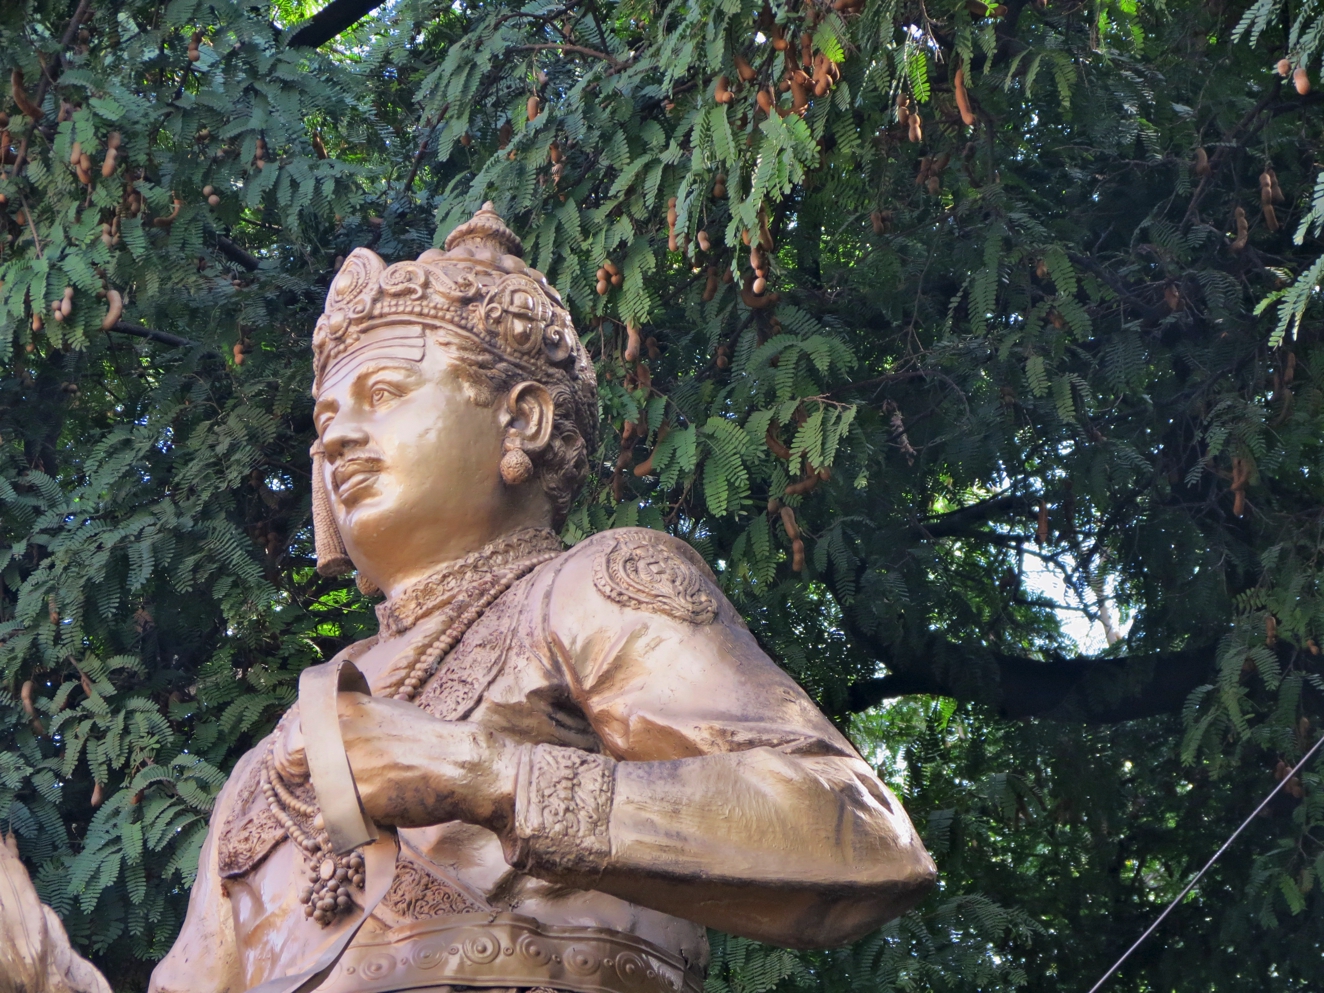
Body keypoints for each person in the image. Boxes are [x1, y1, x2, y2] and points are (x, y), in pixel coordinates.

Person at [1, 203, 935, 993]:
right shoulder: (266, 764)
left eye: (383, 392)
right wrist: (40, 966)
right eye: (328, 418)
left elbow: (854, 836)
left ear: (521, 417)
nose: (337, 441)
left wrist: (483, 773)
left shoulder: (590, 587)